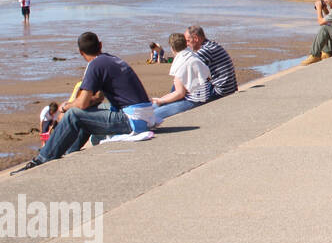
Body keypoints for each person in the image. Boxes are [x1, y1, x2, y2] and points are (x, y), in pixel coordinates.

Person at [12, 31, 158, 174]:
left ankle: (43, 158)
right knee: (86, 116)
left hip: (132, 119)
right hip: (144, 115)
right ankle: (70, 152)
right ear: (100, 45)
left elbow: (82, 104)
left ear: (81, 52)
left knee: (75, 115)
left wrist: (65, 107)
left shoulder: (94, 65)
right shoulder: (109, 59)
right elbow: (97, 98)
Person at [152, 32, 212, 121]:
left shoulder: (181, 63)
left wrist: (161, 100)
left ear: (172, 48)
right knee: (156, 105)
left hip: (194, 101)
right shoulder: (193, 55)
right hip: (205, 95)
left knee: (152, 114)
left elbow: (180, 93)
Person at [187, 26, 237, 98]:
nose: (187, 44)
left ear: (196, 38)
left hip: (220, 91)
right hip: (230, 88)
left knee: (182, 79)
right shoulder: (212, 44)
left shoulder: (205, 50)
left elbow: (186, 66)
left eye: (188, 41)